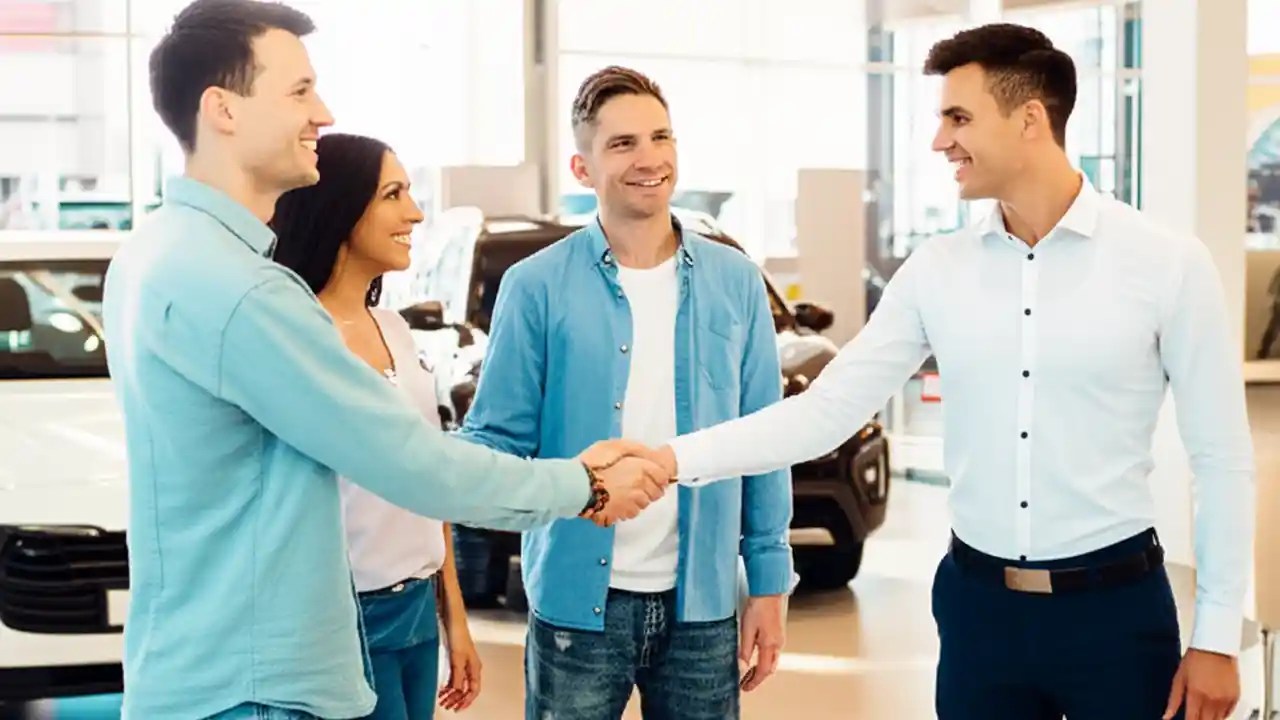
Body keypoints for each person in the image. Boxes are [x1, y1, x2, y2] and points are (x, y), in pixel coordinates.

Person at [630, 23, 1254, 720]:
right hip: (978, 614)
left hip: (1116, 617)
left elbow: (1221, 458)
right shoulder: (937, 271)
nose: (939, 141)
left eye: (959, 117)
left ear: (1029, 120)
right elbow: (825, 411)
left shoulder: (1167, 264)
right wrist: (669, 459)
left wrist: (1218, 636)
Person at [101, 2, 666, 719]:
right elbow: (412, 464)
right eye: (299, 91)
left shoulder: (150, 253)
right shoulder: (242, 290)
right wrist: (582, 485)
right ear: (224, 110)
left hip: (196, 669)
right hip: (254, 689)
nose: (322, 113)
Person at [455, 65, 794, 719]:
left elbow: (764, 439)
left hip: (704, 605)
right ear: (583, 170)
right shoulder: (536, 285)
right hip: (575, 608)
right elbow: (497, 439)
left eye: (660, 138)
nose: (650, 160)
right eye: (622, 144)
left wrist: (771, 582)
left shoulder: (737, 281)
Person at [271, 133, 482, 719]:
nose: (414, 212)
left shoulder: (393, 327)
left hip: (417, 608)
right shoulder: (297, 338)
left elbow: (429, 481)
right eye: (394, 193)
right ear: (339, 207)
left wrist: (454, 622)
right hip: (342, 618)